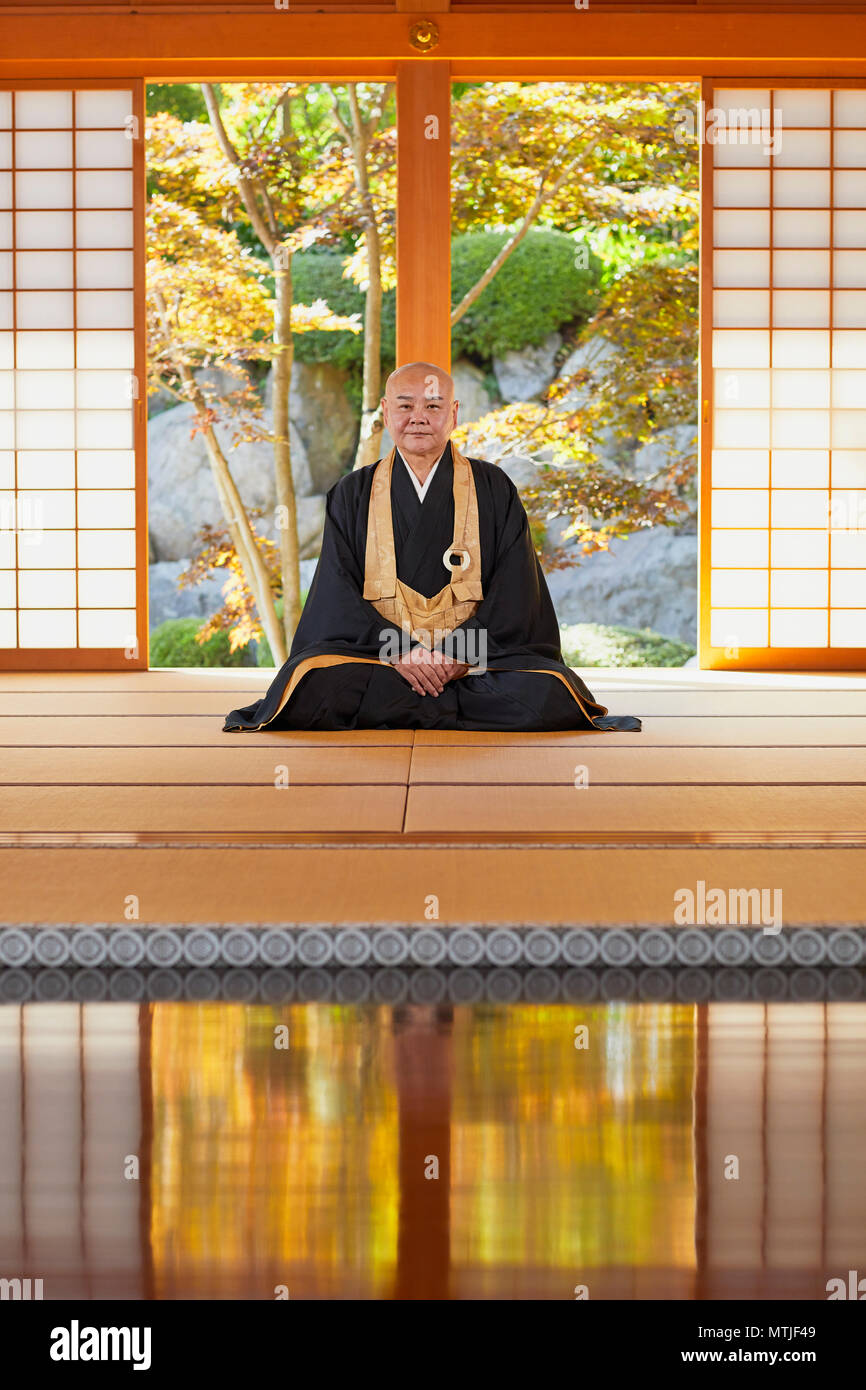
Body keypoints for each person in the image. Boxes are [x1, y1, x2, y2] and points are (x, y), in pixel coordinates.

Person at [223, 361, 641, 734]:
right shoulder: (352, 492)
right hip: (385, 658)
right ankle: (447, 704)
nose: (418, 418)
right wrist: (402, 653)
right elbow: (338, 594)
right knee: (315, 684)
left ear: (454, 414)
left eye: (433, 406)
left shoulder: (493, 487)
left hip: (472, 658)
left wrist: (454, 655)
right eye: (405, 406)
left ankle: (404, 705)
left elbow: (515, 593)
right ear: (386, 413)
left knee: (546, 688)